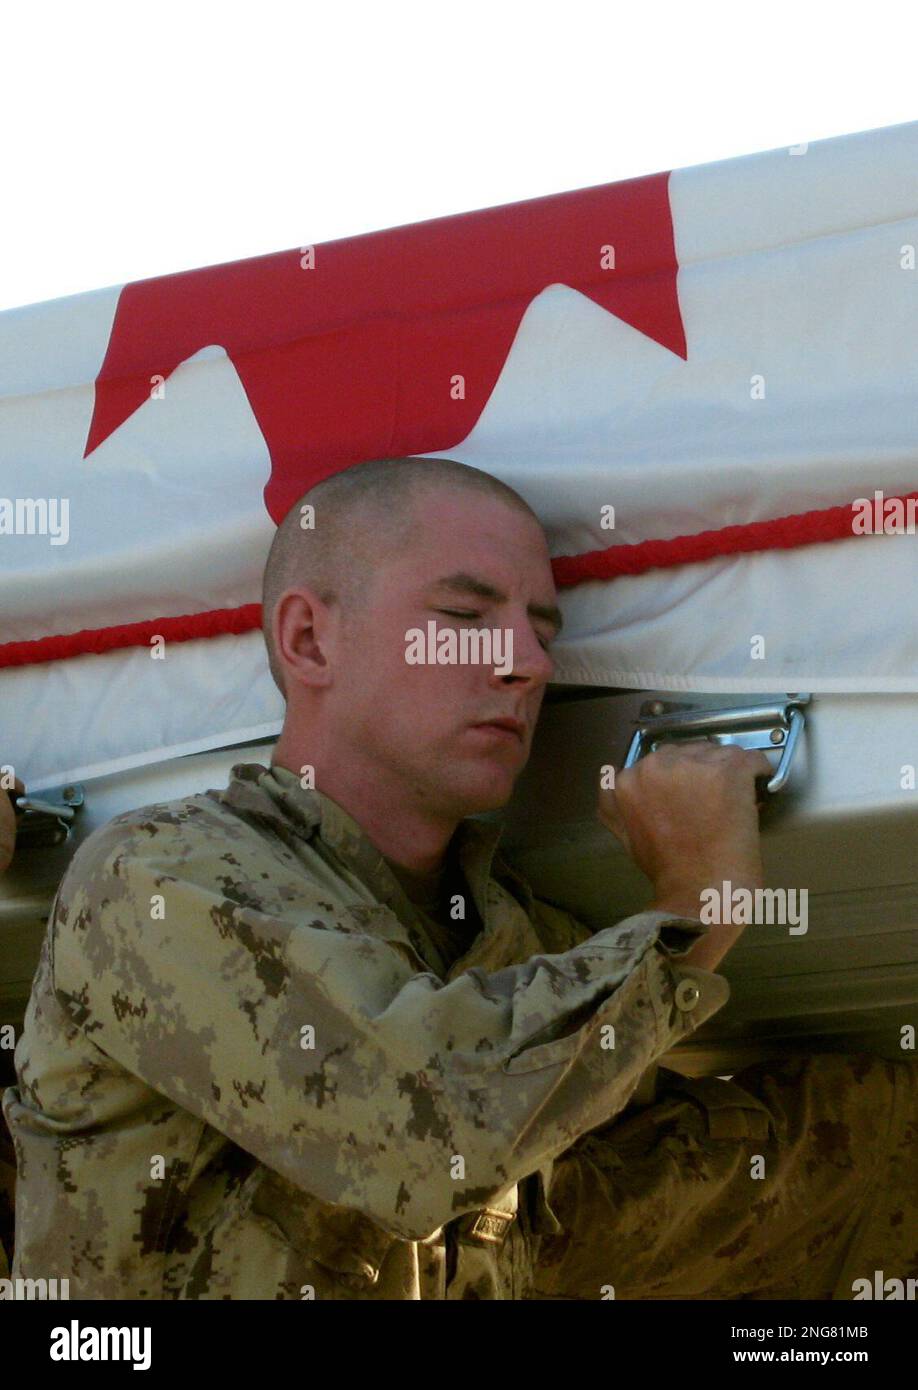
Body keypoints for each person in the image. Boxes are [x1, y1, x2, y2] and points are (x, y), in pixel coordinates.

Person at [3, 458, 915, 1300]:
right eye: (466, 619)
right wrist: (690, 908)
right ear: (310, 641)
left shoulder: (519, 942)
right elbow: (425, 1133)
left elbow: (710, 1172)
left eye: (541, 629)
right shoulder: (155, 877)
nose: (528, 663)